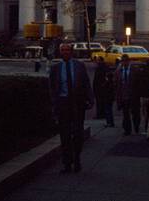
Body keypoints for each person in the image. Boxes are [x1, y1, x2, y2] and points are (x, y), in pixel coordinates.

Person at [48, 42, 93, 173]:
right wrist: (54, 104)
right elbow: (52, 88)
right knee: (65, 135)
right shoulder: (55, 68)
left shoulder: (79, 66)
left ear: (71, 52)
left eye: (67, 50)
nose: (65, 52)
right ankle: (67, 163)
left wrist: (90, 99)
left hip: (77, 104)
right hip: (63, 103)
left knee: (78, 133)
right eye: (63, 50)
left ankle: (77, 158)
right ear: (60, 52)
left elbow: (86, 83)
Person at [115, 54, 140, 135]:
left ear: (128, 61)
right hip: (123, 95)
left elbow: (138, 83)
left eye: (125, 61)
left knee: (135, 113)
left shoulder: (135, 70)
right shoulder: (119, 71)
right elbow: (117, 84)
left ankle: (136, 127)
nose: (124, 63)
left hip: (133, 95)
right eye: (122, 62)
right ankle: (127, 130)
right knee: (125, 114)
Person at [92, 59, 115, 126]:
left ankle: (108, 120)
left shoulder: (101, 69)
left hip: (103, 91)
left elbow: (98, 80)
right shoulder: (104, 69)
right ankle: (104, 116)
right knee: (104, 105)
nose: (97, 62)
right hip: (103, 90)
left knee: (105, 105)